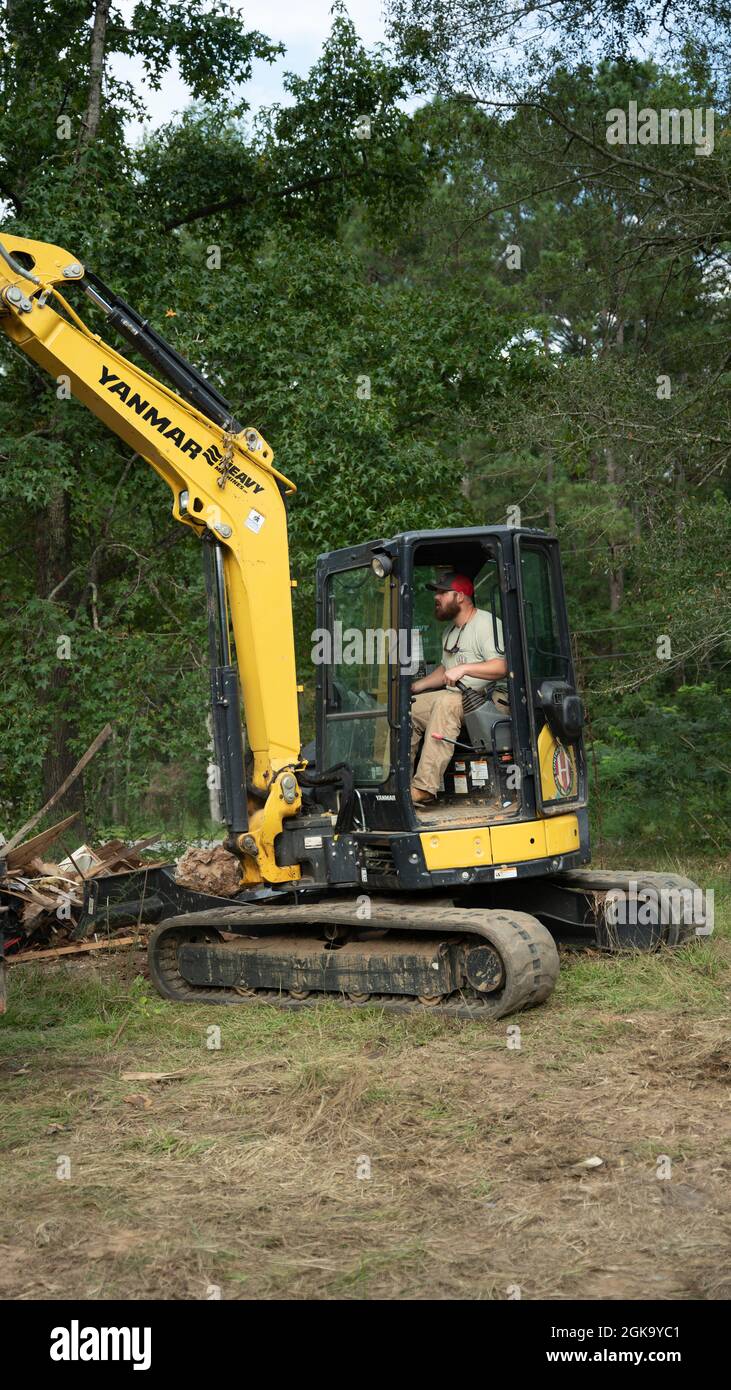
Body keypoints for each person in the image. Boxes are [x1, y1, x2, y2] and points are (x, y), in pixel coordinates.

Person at [410, 571, 509, 804]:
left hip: (491, 700)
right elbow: (447, 669)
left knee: (445, 704)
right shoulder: (451, 631)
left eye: (443, 592)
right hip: (459, 696)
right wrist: (417, 686)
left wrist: (465, 670)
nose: (437, 597)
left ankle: (424, 788)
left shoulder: (485, 624)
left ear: (461, 596)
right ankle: (398, 784)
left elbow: (501, 666)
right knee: (409, 709)